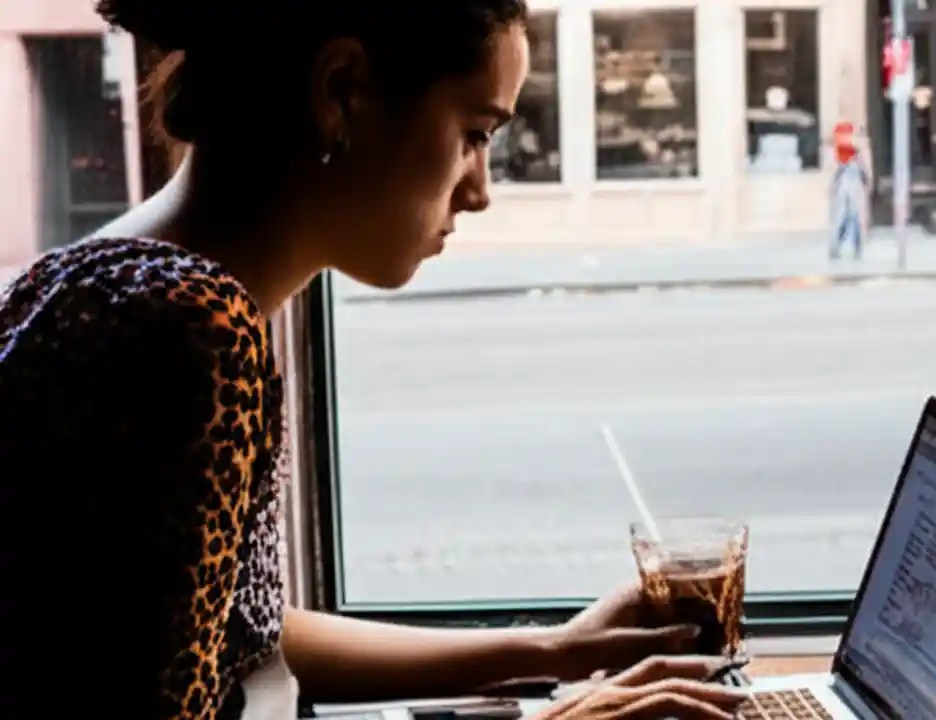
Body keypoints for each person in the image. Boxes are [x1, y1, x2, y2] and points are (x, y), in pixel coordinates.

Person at [0, 2, 747, 719]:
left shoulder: (99, 280)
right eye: (475, 133)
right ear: (342, 92)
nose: (481, 192)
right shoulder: (193, 331)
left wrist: (557, 650)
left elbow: (241, 633)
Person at [828, 137, 870, 261]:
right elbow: (837, 180)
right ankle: (843, 249)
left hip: (852, 198)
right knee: (848, 223)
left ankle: (846, 249)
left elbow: (864, 179)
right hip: (847, 197)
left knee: (849, 223)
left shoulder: (852, 166)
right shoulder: (847, 165)